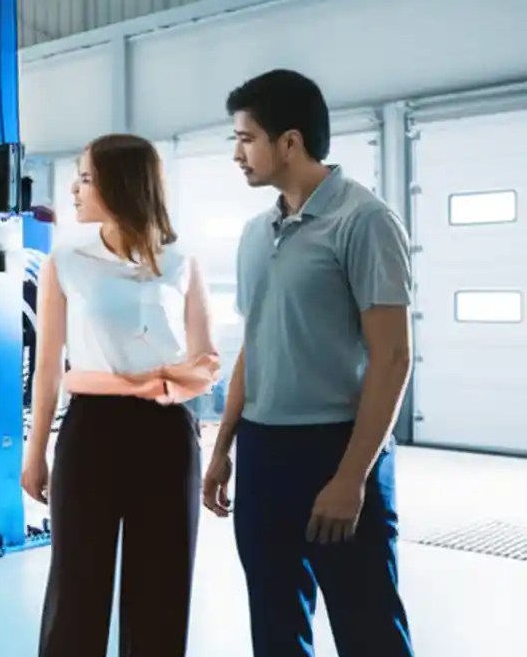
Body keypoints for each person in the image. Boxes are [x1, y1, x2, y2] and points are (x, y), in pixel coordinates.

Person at [202, 69, 415, 657]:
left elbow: (393, 356)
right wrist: (223, 449)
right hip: (264, 452)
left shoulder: (364, 221)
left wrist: (352, 478)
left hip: (337, 448)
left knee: (368, 624)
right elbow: (256, 342)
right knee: (274, 625)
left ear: (289, 141)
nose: (238, 155)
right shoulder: (255, 232)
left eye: (246, 139)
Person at [23, 134, 221, 656]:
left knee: (162, 590)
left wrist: (162, 382)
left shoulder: (182, 262)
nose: (74, 188)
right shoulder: (65, 261)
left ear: (122, 184)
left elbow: (205, 360)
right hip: (91, 429)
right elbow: (48, 368)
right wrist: (34, 451)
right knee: (76, 589)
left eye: (86, 178)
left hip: (167, 429)